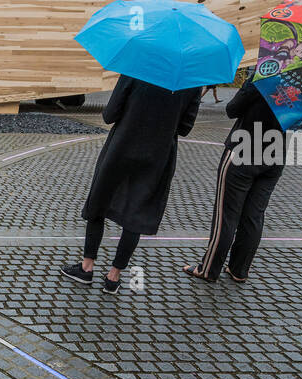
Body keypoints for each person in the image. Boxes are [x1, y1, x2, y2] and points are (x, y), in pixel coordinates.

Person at [63, 75, 201, 294]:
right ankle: (113, 277)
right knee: (136, 213)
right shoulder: (191, 80)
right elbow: (184, 127)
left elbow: (109, 115)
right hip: (158, 155)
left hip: (122, 146)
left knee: (99, 202)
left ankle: (87, 267)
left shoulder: (136, 68)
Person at [185, 79, 286, 283]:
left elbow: (232, 109)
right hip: (275, 154)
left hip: (243, 150)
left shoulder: (265, 75)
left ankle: (209, 268)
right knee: (254, 216)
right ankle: (239, 269)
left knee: (226, 214)